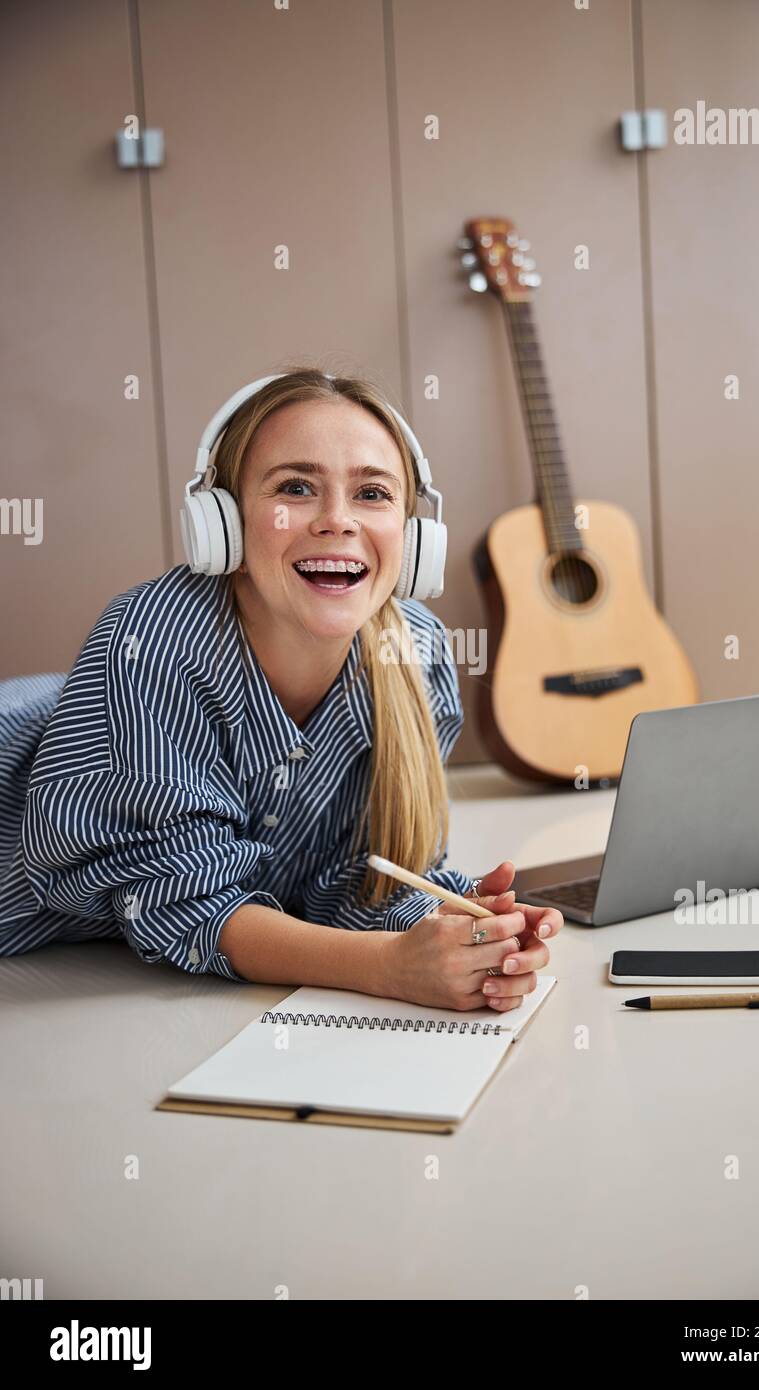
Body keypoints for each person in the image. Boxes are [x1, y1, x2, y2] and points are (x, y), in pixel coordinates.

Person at [0, 367, 562, 1008]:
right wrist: (387, 967)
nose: (338, 521)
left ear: (413, 536)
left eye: (372, 493)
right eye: (296, 487)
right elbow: (179, 903)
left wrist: (457, 929)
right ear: (223, 523)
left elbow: (351, 880)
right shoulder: (154, 633)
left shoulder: (418, 653)